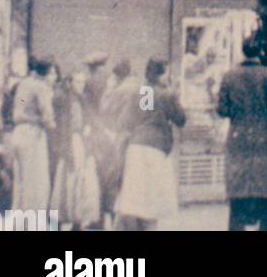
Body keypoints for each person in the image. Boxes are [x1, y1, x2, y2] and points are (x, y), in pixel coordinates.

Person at [217, 34, 267, 231]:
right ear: (260, 51)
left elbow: (222, 109)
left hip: (238, 137)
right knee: (264, 187)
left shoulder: (229, 76)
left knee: (238, 187)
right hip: (264, 137)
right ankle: (264, 226)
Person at [115, 57, 185, 230]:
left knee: (137, 199)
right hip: (156, 148)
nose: (168, 76)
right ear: (160, 74)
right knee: (152, 200)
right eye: (166, 72)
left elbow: (129, 120)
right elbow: (181, 119)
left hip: (136, 146)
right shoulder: (167, 94)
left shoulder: (142, 91)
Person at [50, 68, 101, 230]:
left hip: (81, 141)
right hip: (70, 141)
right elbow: (62, 126)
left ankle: (77, 220)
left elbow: (90, 119)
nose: (81, 85)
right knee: (68, 179)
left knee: (82, 180)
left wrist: (88, 127)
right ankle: (62, 219)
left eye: (83, 82)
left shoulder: (83, 99)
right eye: (78, 81)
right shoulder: (64, 100)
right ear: (70, 83)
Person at [8, 56, 56, 215]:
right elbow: (48, 117)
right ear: (46, 73)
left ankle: (18, 220)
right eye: (52, 73)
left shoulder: (24, 84)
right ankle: (33, 221)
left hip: (18, 132)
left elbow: (18, 109)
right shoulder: (41, 87)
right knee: (37, 182)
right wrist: (52, 126)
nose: (54, 77)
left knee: (20, 181)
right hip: (33, 134)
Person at [99, 60, 140, 224]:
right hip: (140, 139)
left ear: (117, 76)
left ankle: (116, 218)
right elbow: (148, 113)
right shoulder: (144, 88)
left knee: (115, 177)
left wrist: (109, 89)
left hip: (122, 137)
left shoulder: (118, 90)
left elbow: (104, 110)